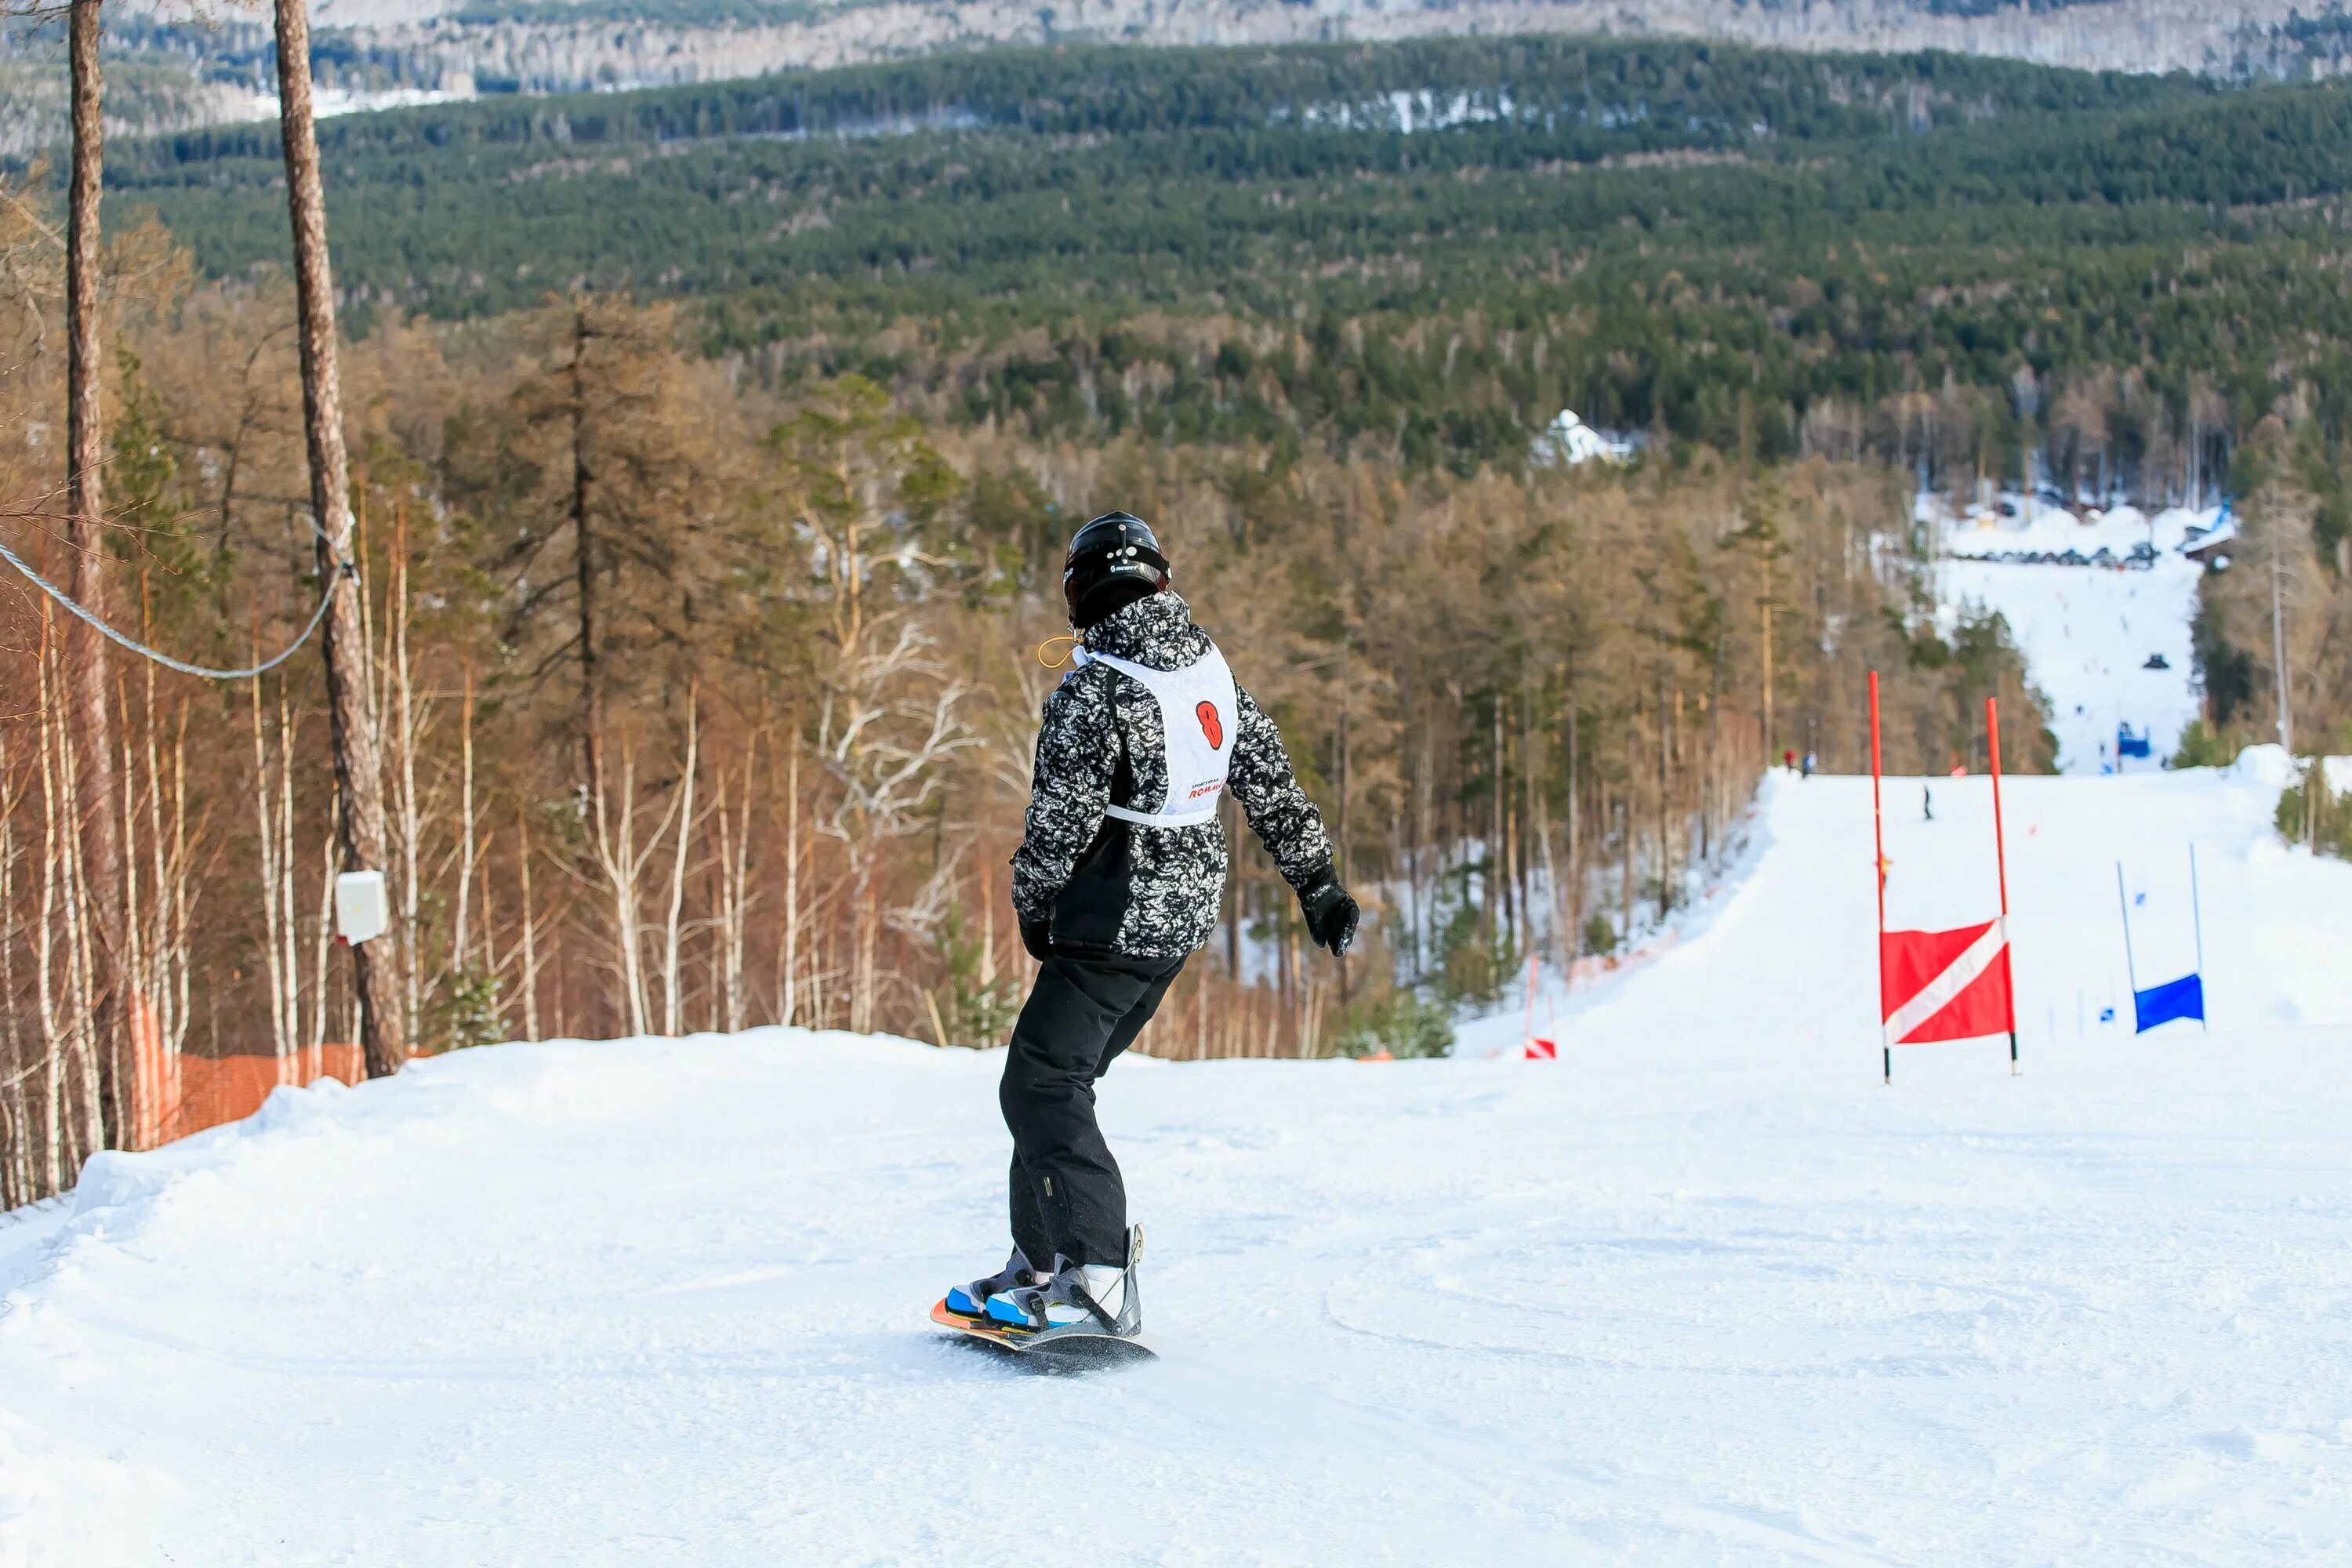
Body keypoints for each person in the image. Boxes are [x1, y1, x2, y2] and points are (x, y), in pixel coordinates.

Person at [941, 512, 1358, 1342]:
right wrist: (1319, 883)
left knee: (1041, 1083)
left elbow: (1057, 824)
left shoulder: (1093, 690)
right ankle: (1041, 1263)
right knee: (1057, 1075)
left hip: (1112, 912)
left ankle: (1093, 1273)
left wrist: (1033, 904)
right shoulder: (1208, 667)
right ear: (1160, 582)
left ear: (1081, 594)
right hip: (1181, 915)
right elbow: (1268, 779)